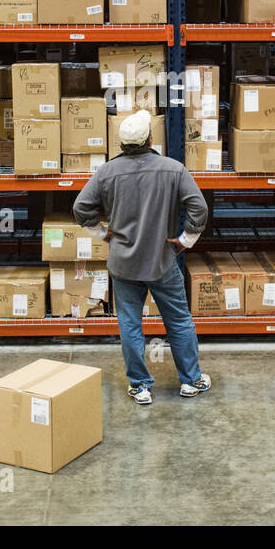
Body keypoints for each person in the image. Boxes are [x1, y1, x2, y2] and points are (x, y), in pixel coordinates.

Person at [72, 108, 210, 405]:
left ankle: (141, 386)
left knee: (130, 324)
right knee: (179, 321)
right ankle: (191, 380)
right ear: (150, 138)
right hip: (161, 261)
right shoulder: (173, 169)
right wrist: (186, 240)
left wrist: (102, 234)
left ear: (121, 142)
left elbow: (81, 208)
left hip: (123, 264)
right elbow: (199, 208)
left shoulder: (107, 172)